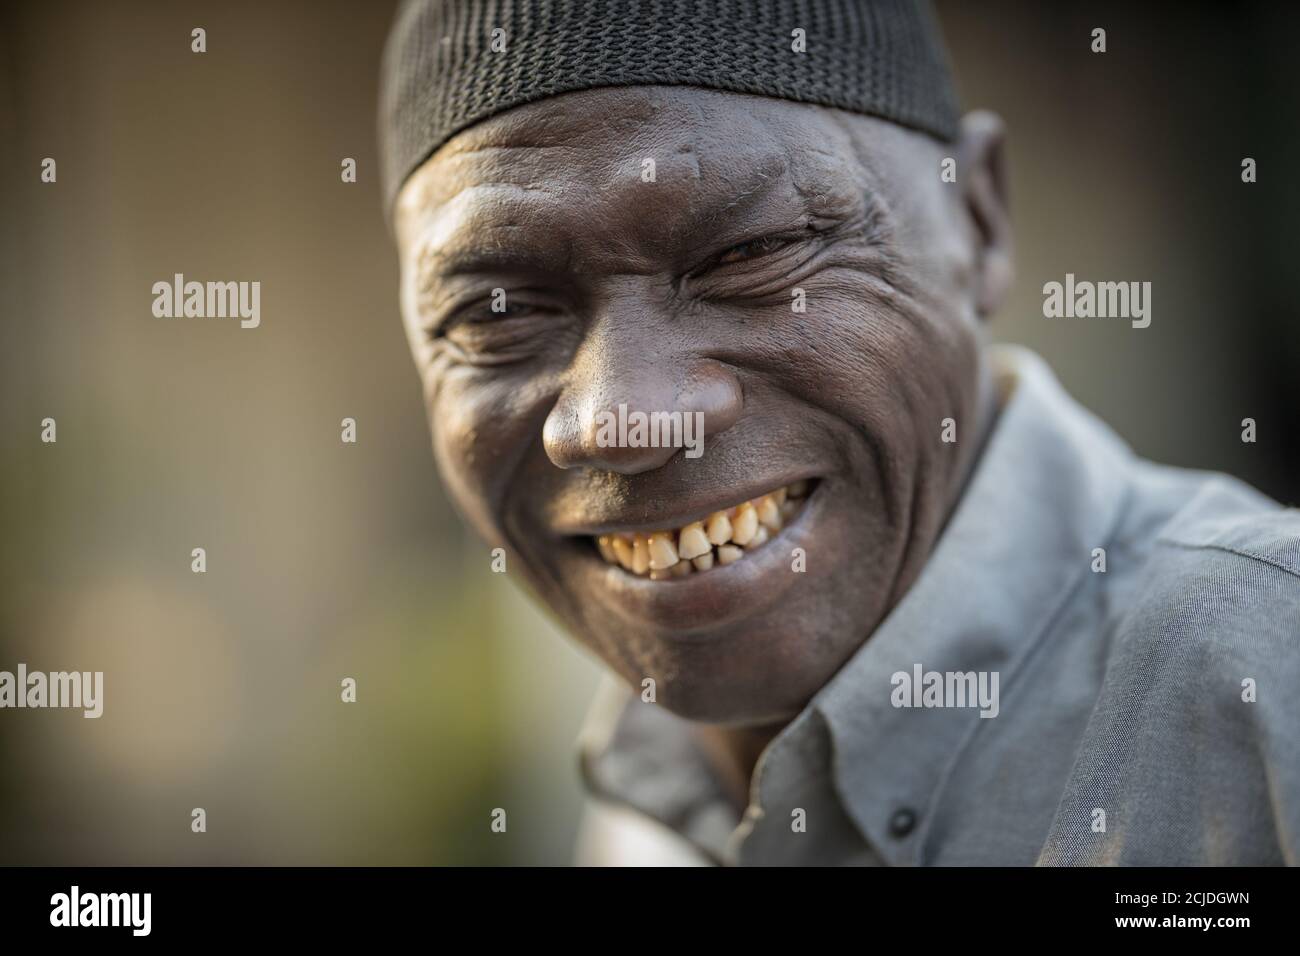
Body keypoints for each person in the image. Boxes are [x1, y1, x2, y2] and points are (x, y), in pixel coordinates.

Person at [378, 0, 1300, 865]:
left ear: (977, 219)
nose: (620, 420)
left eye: (751, 253)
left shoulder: (1264, 673)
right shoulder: (647, 805)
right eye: (497, 315)